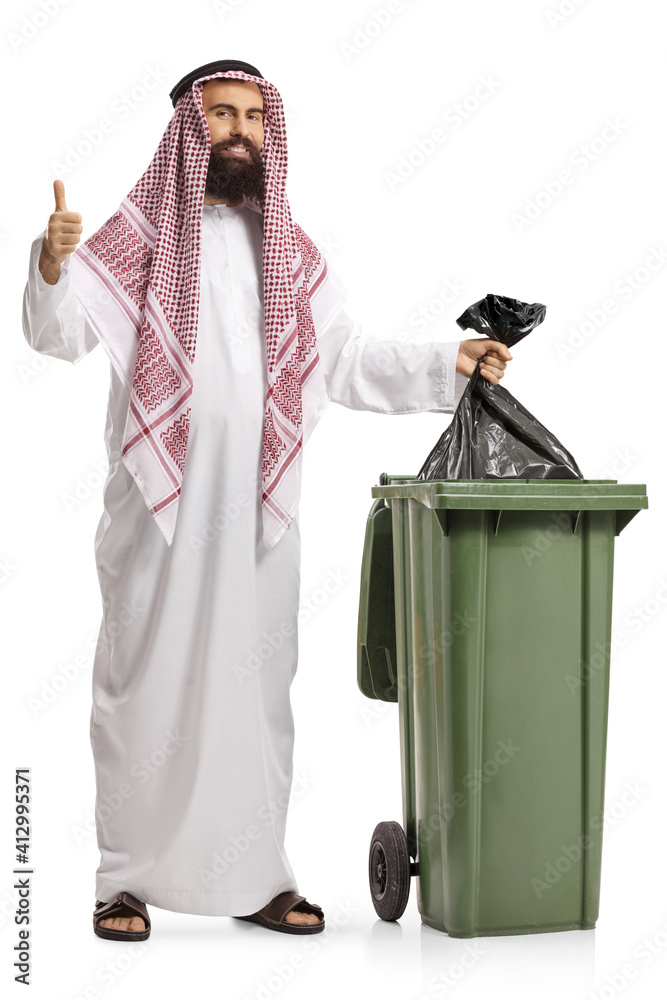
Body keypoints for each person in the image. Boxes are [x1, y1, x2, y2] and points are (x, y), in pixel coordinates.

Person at [22, 59, 511, 941]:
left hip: (256, 512)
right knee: (147, 683)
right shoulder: (136, 241)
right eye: (221, 114)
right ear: (186, 128)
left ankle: (255, 876)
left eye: (253, 114)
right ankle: (123, 880)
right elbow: (57, 335)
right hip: (158, 514)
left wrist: (450, 363)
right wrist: (52, 263)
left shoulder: (286, 248)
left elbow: (348, 359)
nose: (239, 129)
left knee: (255, 690)